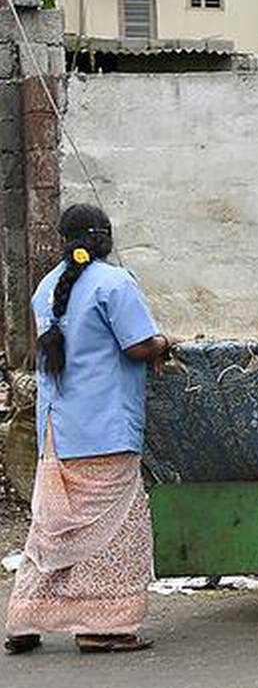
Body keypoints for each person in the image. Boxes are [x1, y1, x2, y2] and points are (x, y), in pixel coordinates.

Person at [4, 204, 174, 655]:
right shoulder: (114, 283)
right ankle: (103, 627)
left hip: (58, 431)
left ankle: (24, 619)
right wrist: (165, 343)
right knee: (114, 532)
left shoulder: (46, 287)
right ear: (106, 239)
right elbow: (138, 346)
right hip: (105, 429)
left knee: (52, 530)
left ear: (64, 240)